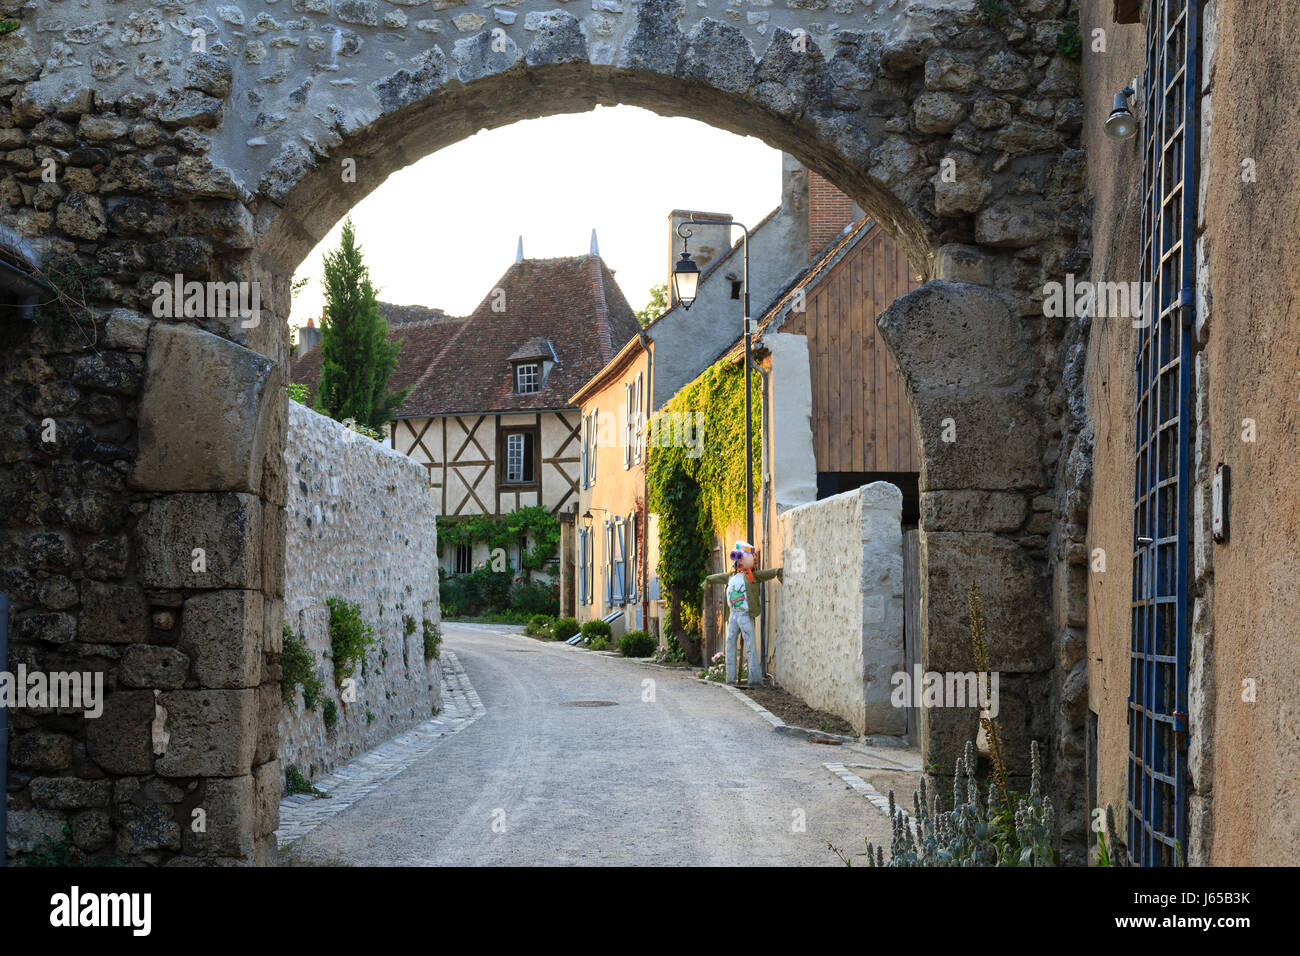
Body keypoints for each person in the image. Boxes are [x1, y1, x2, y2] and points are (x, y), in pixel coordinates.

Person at [703, 541, 782, 686]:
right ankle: (730, 677)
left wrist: (777, 572)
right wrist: (708, 580)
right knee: (730, 644)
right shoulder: (730, 576)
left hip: (745, 614)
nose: (737, 563)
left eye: (740, 559)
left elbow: (766, 574)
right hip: (733, 615)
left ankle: (754, 679)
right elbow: (717, 577)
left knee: (750, 645)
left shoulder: (752, 576)